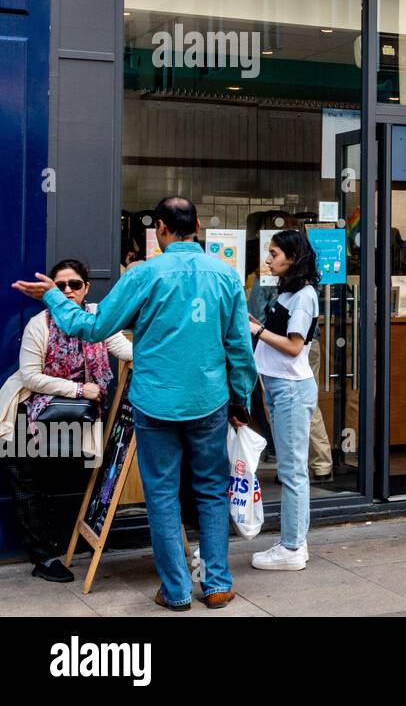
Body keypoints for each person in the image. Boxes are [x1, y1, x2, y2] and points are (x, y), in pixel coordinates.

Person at [12, 197, 257, 611]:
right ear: (196, 226)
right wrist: (241, 399)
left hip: (156, 404)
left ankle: (176, 592)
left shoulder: (145, 275)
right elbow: (239, 348)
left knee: (161, 495)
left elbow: (89, 327)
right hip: (210, 401)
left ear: (160, 228)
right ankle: (216, 585)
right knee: (212, 492)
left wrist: (53, 296)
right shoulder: (225, 275)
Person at [0, 259, 133, 582]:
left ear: (86, 287)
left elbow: (126, 352)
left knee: (60, 479)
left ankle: (64, 546)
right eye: (60, 286)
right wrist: (78, 388)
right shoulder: (40, 324)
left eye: (75, 284)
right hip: (27, 411)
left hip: (70, 414)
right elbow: (30, 377)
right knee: (29, 484)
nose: (68, 291)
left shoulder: (97, 321)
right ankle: (43, 558)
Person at [248, 230, 320, 571]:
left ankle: (291, 547)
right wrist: (257, 325)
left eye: (274, 253)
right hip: (279, 386)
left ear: (292, 257)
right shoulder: (290, 292)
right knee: (291, 468)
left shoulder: (304, 296)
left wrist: (258, 332)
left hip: (290, 388)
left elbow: (294, 346)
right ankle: (295, 542)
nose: (268, 260)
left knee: (292, 471)